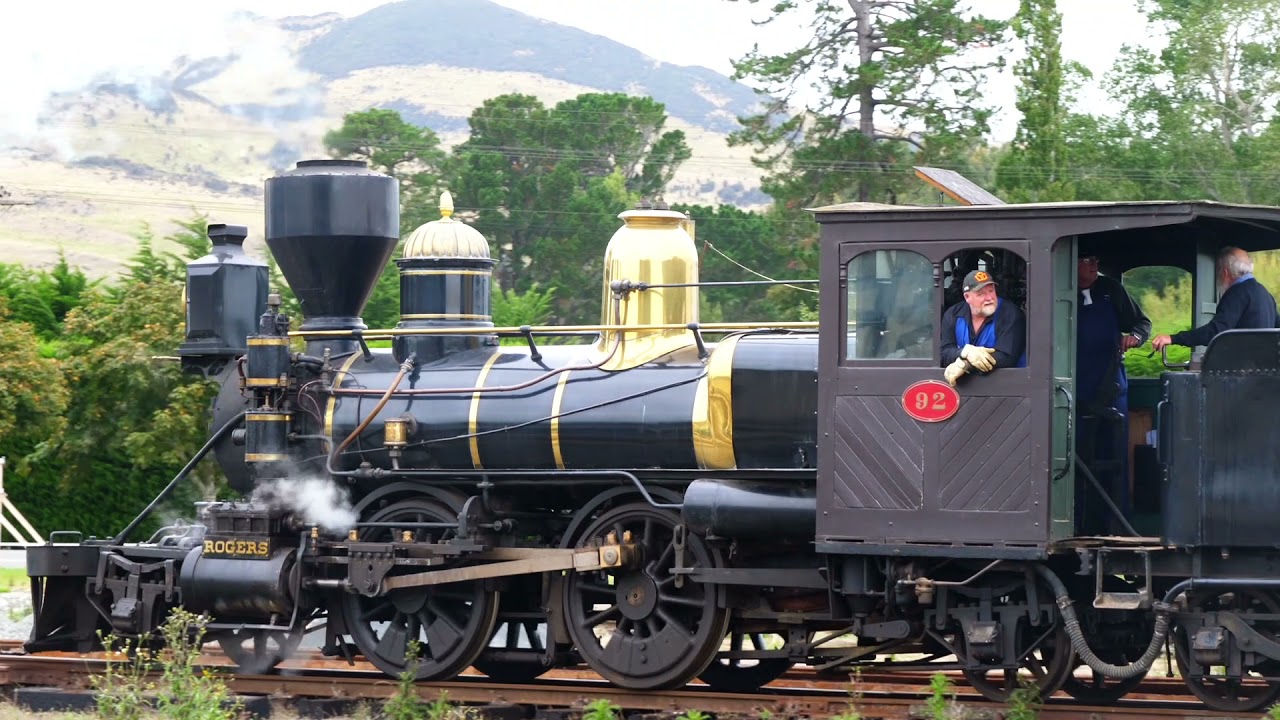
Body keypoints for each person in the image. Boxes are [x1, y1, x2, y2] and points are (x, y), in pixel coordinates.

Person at [1074, 255, 1151, 535]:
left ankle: (1117, 527)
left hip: (1110, 386)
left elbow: (1141, 323)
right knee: (1074, 459)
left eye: (1096, 260)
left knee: (1115, 456)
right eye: (1085, 260)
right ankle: (1077, 525)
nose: (1093, 265)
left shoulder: (1111, 290)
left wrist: (1136, 338)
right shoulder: (1062, 291)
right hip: (1072, 389)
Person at [1150, 247, 1277, 351]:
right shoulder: (1265, 293)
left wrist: (1173, 338)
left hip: (1241, 371)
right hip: (1263, 370)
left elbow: (1216, 331)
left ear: (1225, 273)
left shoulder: (1237, 293)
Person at [941, 269, 1027, 386]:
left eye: (991, 291)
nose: (989, 298)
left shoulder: (1010, 314)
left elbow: (1006, 357)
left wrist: (965, 364)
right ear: (967, 297)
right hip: (962, 387)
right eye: (981, 294)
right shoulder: (953, 315)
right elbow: (943, 352)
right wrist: (964, 352)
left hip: (1007, 387)